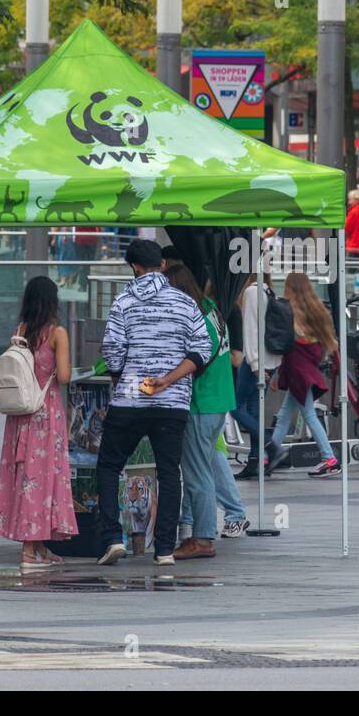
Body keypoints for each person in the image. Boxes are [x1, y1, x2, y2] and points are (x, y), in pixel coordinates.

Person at [95, 239, 212, 567]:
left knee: (108, 465)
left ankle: (112, 538)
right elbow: (202, 350)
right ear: (161, 265)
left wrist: (123, 376)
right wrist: (169, 380)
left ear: (134, 267)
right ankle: (163, 550)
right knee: (169, 472)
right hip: (172, 402)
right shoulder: (185, 302)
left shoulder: (123, 301)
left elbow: (113, 351)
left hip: (131, 398)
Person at [162, 264, 249, 558]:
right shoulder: (212, 308)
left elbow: (194, 359)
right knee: (204, 468)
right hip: (219, 399)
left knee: (197, 473)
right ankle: (199, 531)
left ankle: (202, 537)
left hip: (201, 402)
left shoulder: (196, 318)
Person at [0, 275, 76, 569]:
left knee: (27, 478)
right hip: (46, 413)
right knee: (40, 480)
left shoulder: (20, 331)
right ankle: (29, 550)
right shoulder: (57, 333)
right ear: (53, 301)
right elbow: (64, 377)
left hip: (21, 416)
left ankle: (40, 547)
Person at [270, 271, 341, 478]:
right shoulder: (316, 312)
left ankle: (329, 459)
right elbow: (328, 345)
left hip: (296, 373)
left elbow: (286, 349)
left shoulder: (289, 313)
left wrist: (275, 375)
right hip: (307, 371)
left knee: (308, 414)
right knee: (284, 415)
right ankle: (270, 454)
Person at [232, 274, 282, 481]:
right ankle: (255, 460)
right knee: (254, 410)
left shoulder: (252, 291)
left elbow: (251, 330)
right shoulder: (269, 291)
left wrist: (253, 363)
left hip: (255, 361)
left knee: (234, 407)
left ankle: (270, 445)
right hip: (269, 360)